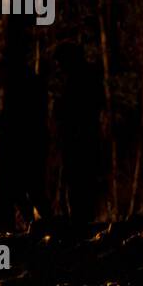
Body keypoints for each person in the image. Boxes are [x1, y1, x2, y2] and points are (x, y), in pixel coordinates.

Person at [0, 53, 48, 230]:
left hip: (22, 148)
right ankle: (38, 224)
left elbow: (15, 121)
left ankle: (41, 224)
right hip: (30, 146)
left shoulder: (19, 89)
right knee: (29, 190)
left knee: (26, 190)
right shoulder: (32, 84)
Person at [53, 42, 102, 224]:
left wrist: (61, 109)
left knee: (79, 182)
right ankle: (82, 220)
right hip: (84, 139)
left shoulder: (79, 79)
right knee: (81, 183)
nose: (60, 67)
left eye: (61, 62)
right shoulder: (86, 76)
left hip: (80, 141)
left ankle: (81, 222)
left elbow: (77, 111)